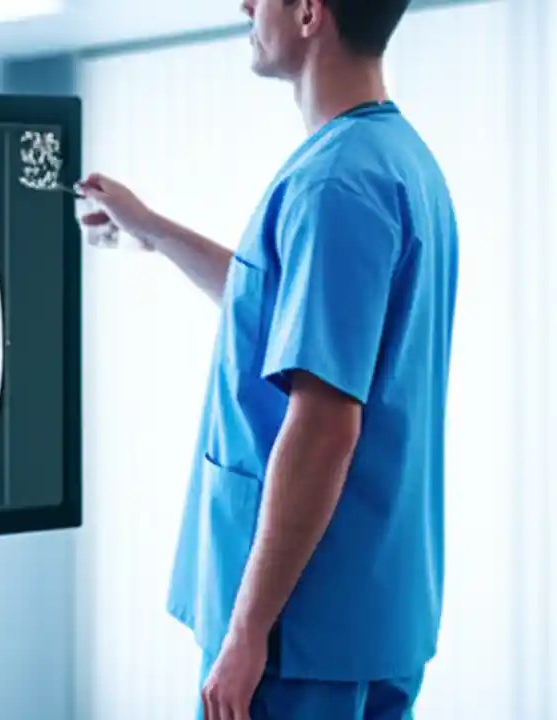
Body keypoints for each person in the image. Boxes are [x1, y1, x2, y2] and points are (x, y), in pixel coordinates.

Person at [78, 0, 458, 717]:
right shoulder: (396, 162)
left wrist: (248, 630)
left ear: (310, 12)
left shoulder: (334, 184)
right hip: (366, 613)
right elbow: (285, 312)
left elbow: (324, 425)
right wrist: (151, 229)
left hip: (298, 634)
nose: (246, 5)